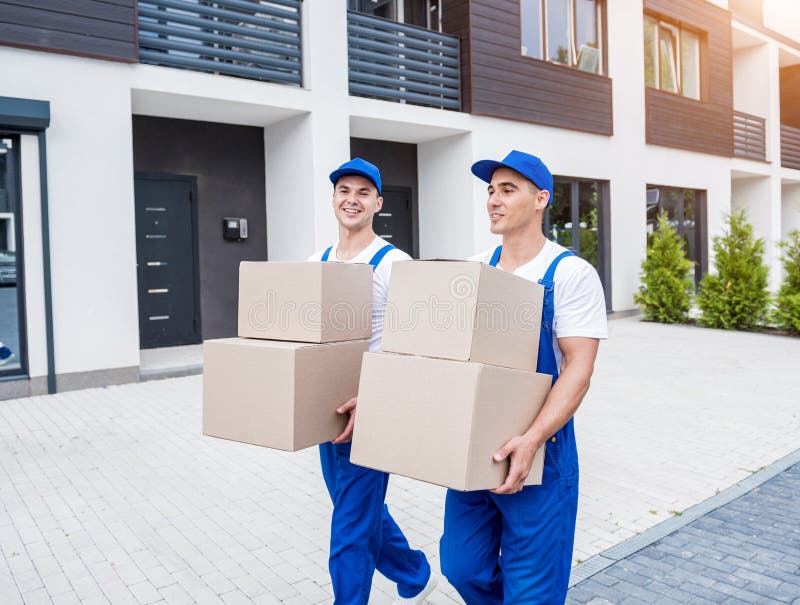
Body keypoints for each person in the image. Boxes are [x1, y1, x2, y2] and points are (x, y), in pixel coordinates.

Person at [439, 150, 608, 604]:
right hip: (478, 448)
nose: (493, 200)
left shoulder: (570, 274)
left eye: (507, 190)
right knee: (460, 565)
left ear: (541, 199)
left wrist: (531, 439)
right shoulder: (475, 269)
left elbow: (579, 370)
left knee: (532, 590)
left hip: (542, 453)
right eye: (491, 191)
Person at [308, 157, 438, 605]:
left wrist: (375, 397)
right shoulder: (317, 261)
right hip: (327, 411)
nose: (352, 200)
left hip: (373, 411)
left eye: (363, 193)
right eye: (344, 191)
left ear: (378, 203)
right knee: (357, 510)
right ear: (333, 199)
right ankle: (414, 573)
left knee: (350, 526)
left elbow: (416, 343)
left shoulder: (395, 263)